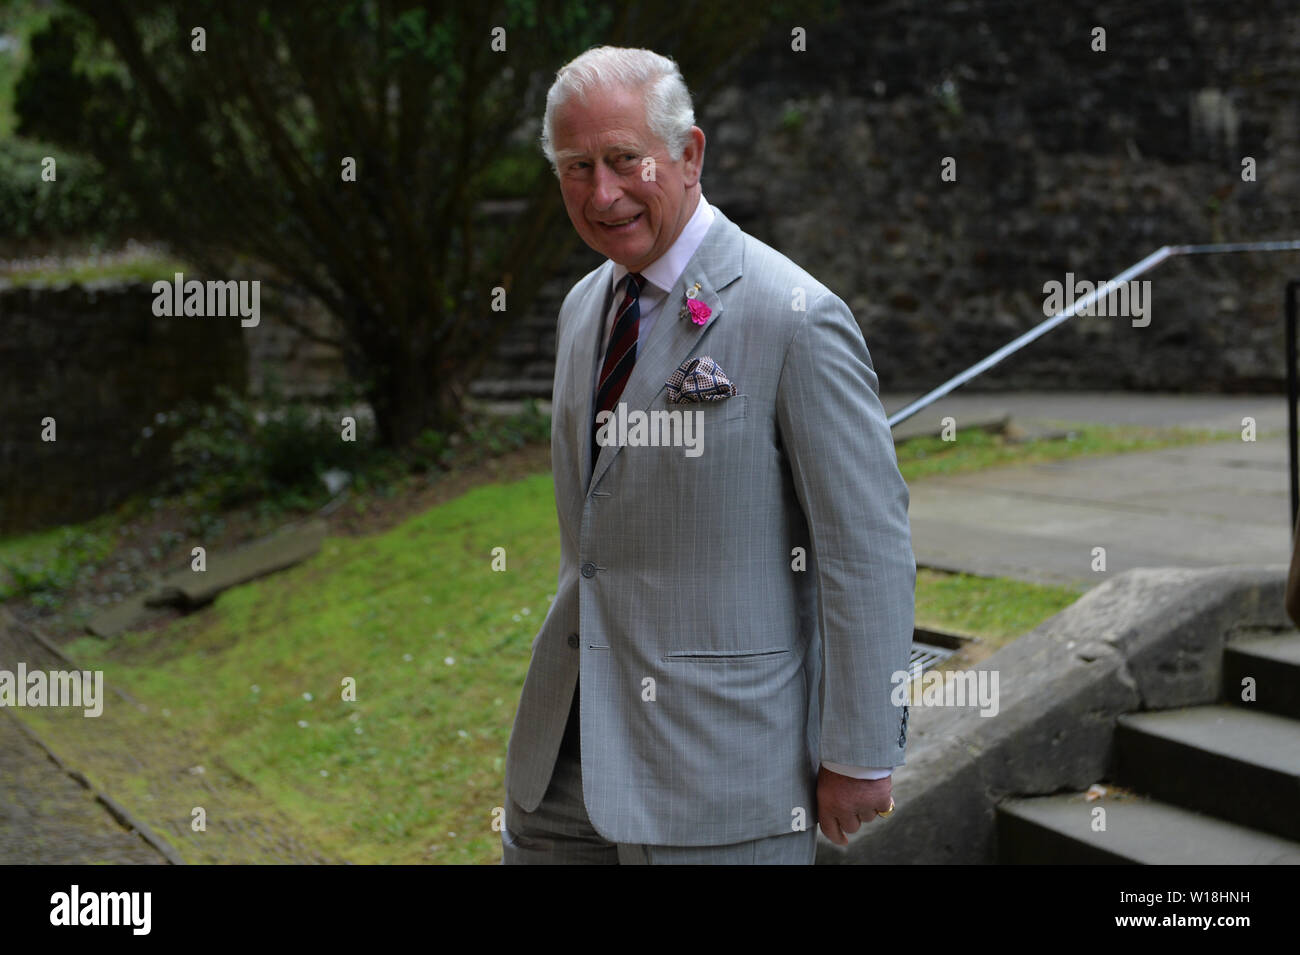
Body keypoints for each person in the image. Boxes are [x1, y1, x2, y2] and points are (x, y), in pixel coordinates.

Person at [501, 45, 915, 864]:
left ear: (689, 154)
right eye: (576, 167)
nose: (602, 193)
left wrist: (861, 751)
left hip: (722, 779)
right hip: (560, 765)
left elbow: (865, 547)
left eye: (624, 160)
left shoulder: (794, 316)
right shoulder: (585, 308)